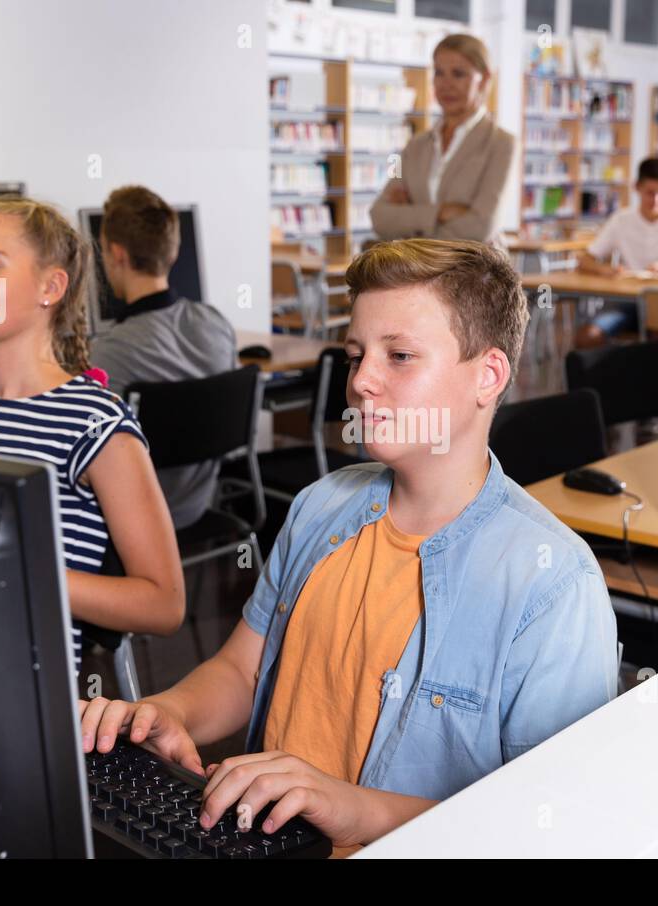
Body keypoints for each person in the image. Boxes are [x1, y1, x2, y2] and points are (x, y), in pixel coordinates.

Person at [78, 239, 619, 855]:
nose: (361, 381)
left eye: (401, 356)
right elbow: (242, 668)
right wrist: (169, 712)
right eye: (356, 354)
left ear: (488, 376)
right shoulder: (320, 506)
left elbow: (548, 826)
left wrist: (348, 809)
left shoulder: (551, 586)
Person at [0, 195, 186, 675]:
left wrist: (23, 575)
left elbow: (164, 604)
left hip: (17, 679)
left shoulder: (94, 421)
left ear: (50, 286)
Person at [88, 185, 238, 530]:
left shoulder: (110, 351)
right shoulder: (216, 324)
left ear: (116, 253)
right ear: (172, 250)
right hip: (199, 508)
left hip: (136, 526)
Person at [369, 34, 517, 251]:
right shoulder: (415, 146)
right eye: (439, 73)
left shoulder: (502, 144)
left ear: (484, 79)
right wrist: (440, 212)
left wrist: (412, 217)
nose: (446, 84)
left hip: (477, 273)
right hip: (420, 273)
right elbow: (380, 215)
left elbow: (480, 226)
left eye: (458, 74)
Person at [575, 156, 658, 341]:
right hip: (627, 302)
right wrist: (607, 270)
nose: (657, 200)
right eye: (650, 193)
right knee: (588, 337)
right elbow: (585, 260)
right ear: (637, 187)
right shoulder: (621, 219)